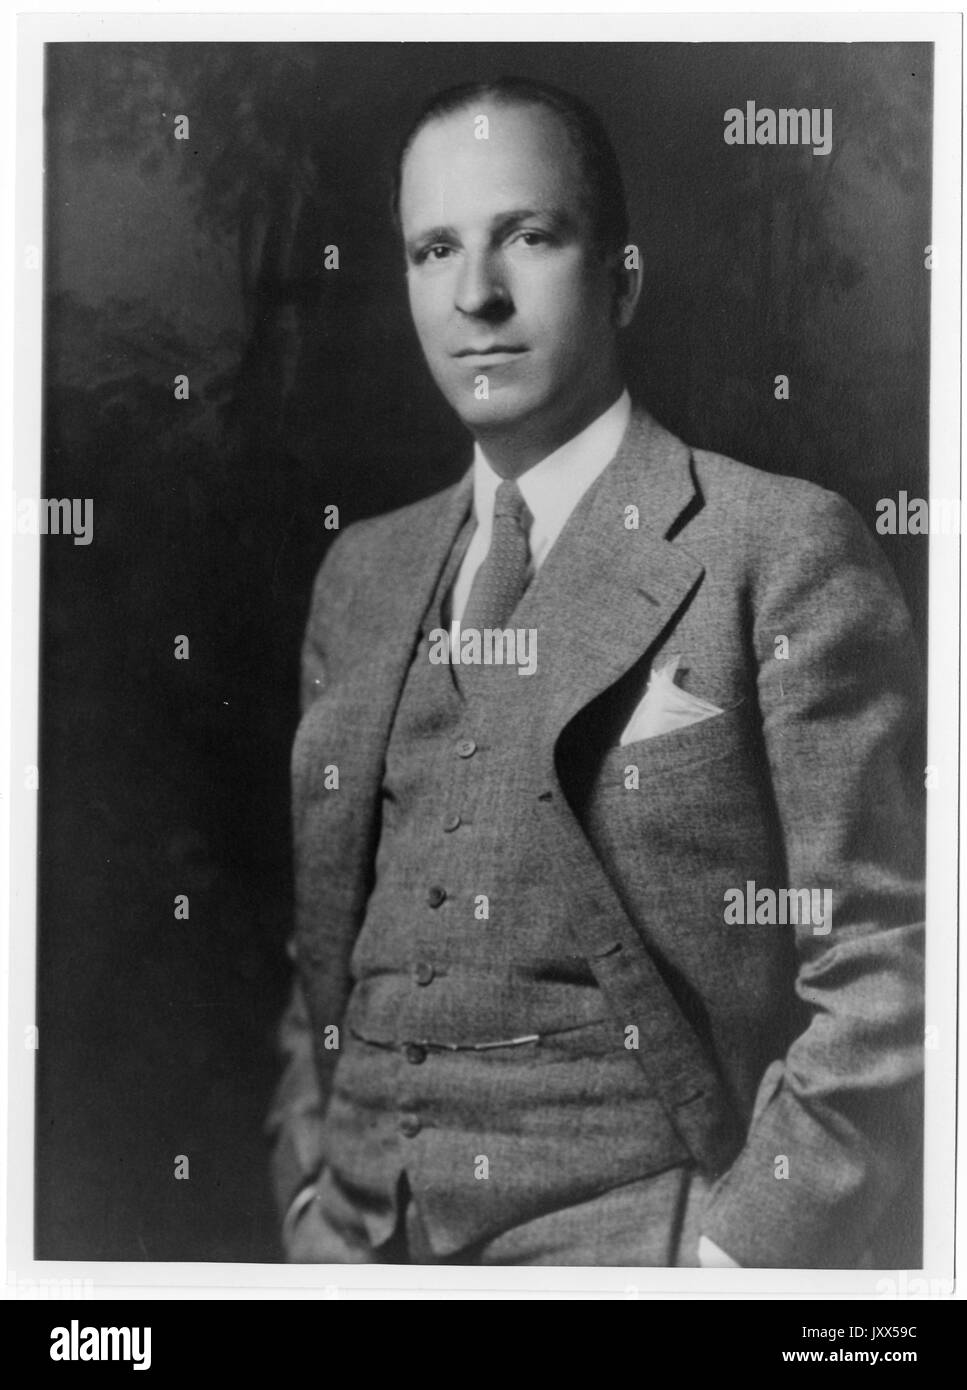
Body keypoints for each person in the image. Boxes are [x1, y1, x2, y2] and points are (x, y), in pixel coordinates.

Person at [265, 77, 924, 1267]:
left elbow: (891, 968)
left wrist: (734, 1263)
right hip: (356, 1249)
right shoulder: (360, 576)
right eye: (433, 249)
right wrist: (310, 1188)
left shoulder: (775, 548)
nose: (477, 295)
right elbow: (326, 954)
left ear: (620, 275)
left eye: (528, 234)